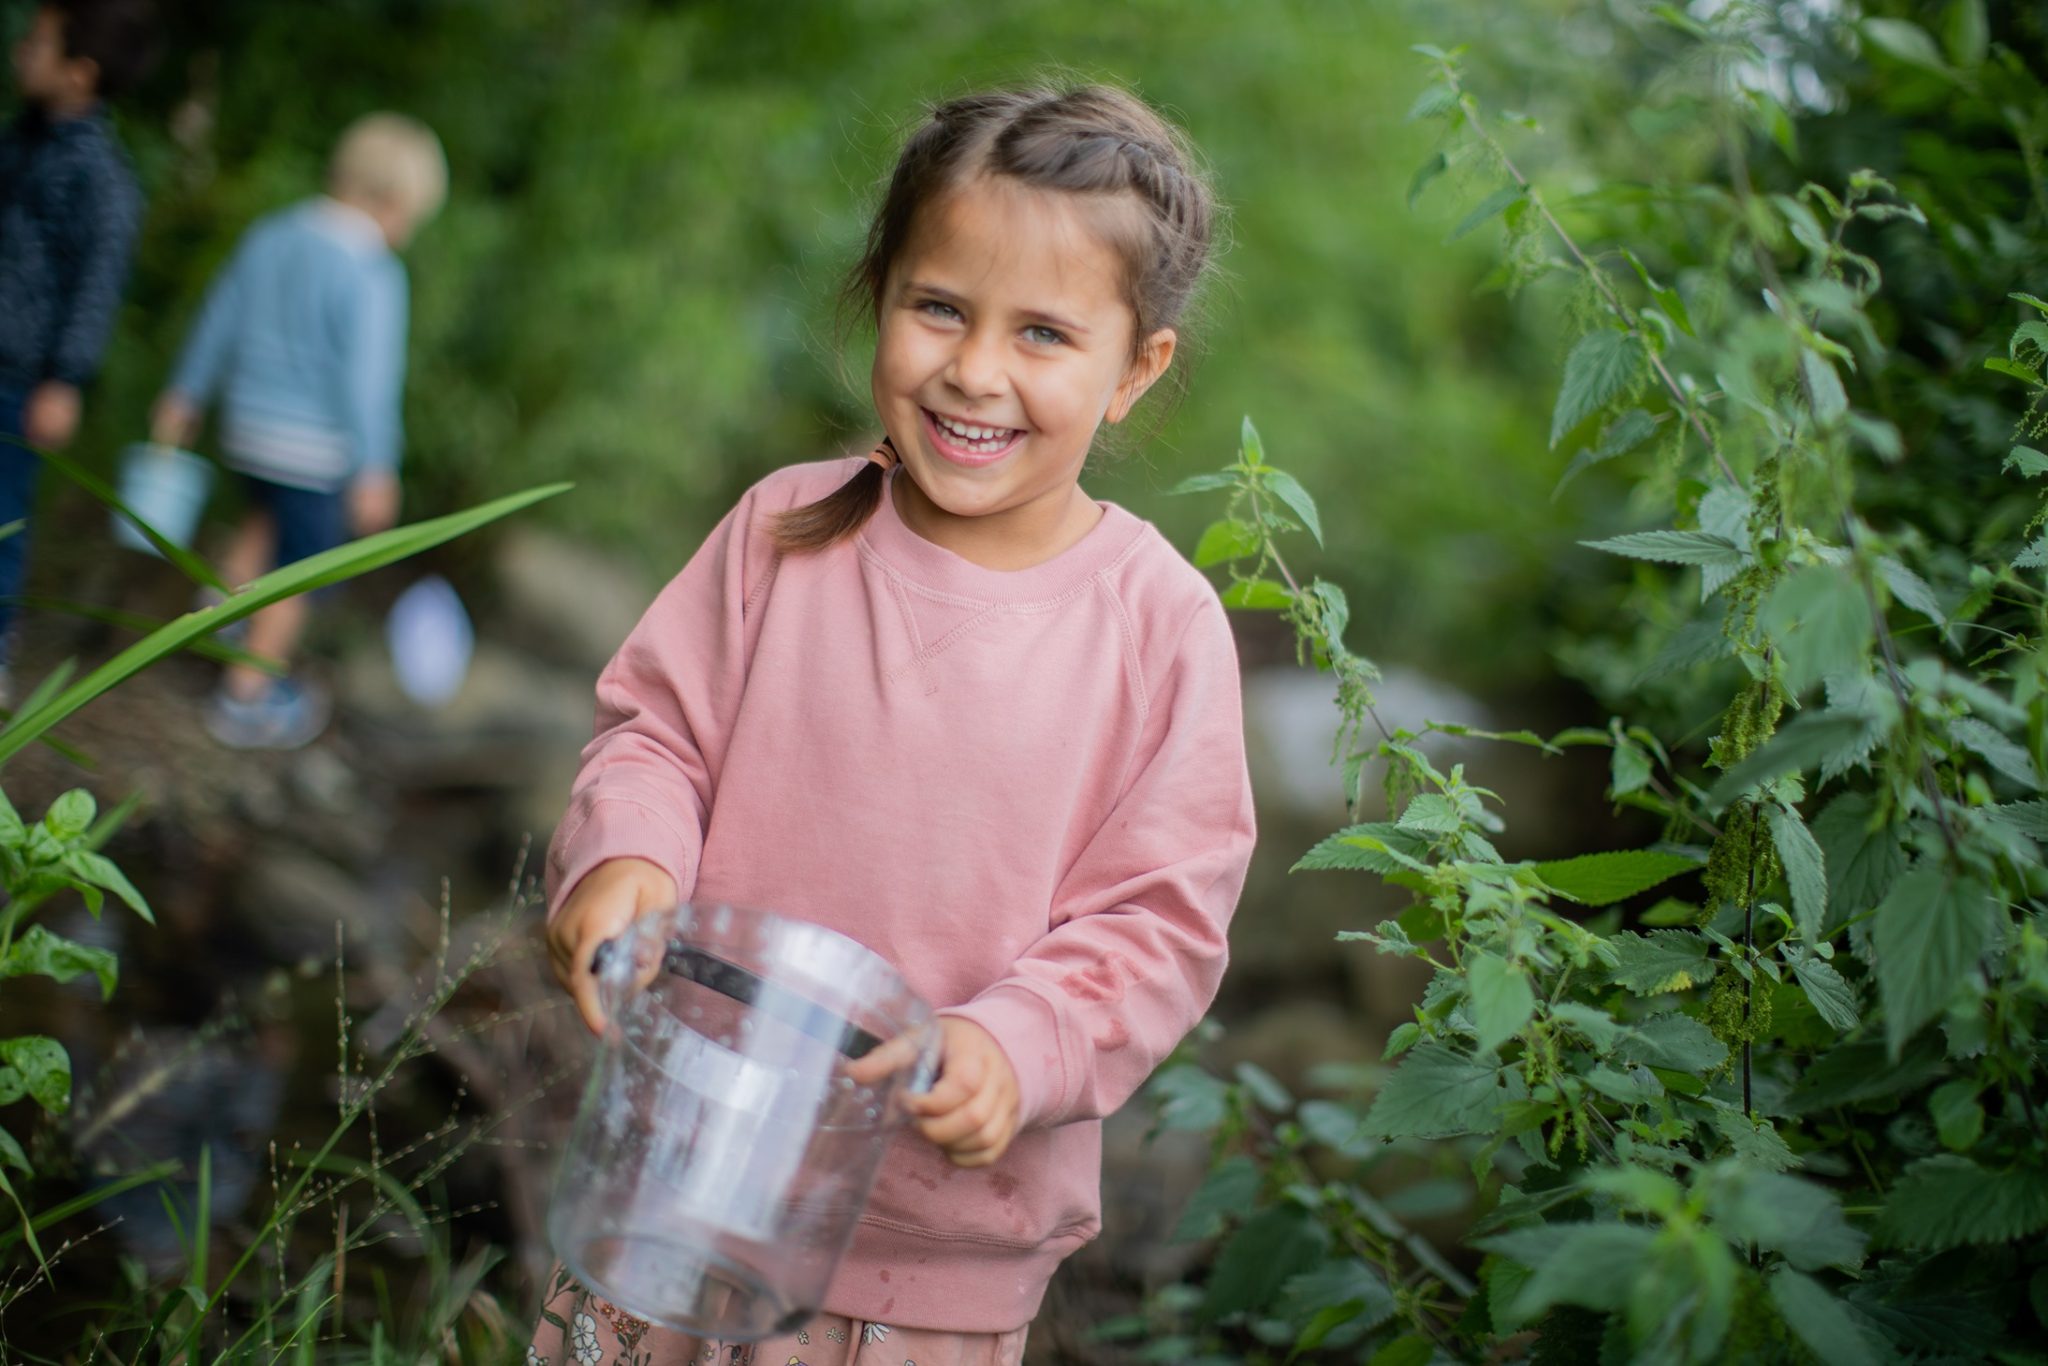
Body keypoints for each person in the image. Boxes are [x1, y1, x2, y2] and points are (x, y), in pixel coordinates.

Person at [532, 84, 1256, 1365]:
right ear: (879, 294)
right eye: (939, 308)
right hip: (683, 1179)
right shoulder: (782, 531)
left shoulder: (1156, 625)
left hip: (925, 1272)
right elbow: (654, 736)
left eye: (1042, 332)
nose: (974, 370)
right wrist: (627, 860)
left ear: (1136, 369)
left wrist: (1014, 1042)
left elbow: (1158, 921)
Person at [149, 111, 445, 749]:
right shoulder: (372, 272)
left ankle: (225, 618)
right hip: (313, 449)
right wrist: (375, 467)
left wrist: (185, 393)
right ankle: (245, 696)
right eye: (409, 220)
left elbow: (220, 315)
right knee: (300, 570)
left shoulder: (273, 234)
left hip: (248, 430)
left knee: (262, 522)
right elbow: (368, 384)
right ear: (391, 202)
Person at [0, 0, 155, 700]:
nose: (21, 50)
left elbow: (96, 283)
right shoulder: (20, 139)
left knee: (3, 515)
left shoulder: (102, 178)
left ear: (78, 74)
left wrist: (66, 378)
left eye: (38, 42)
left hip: (20, 372)